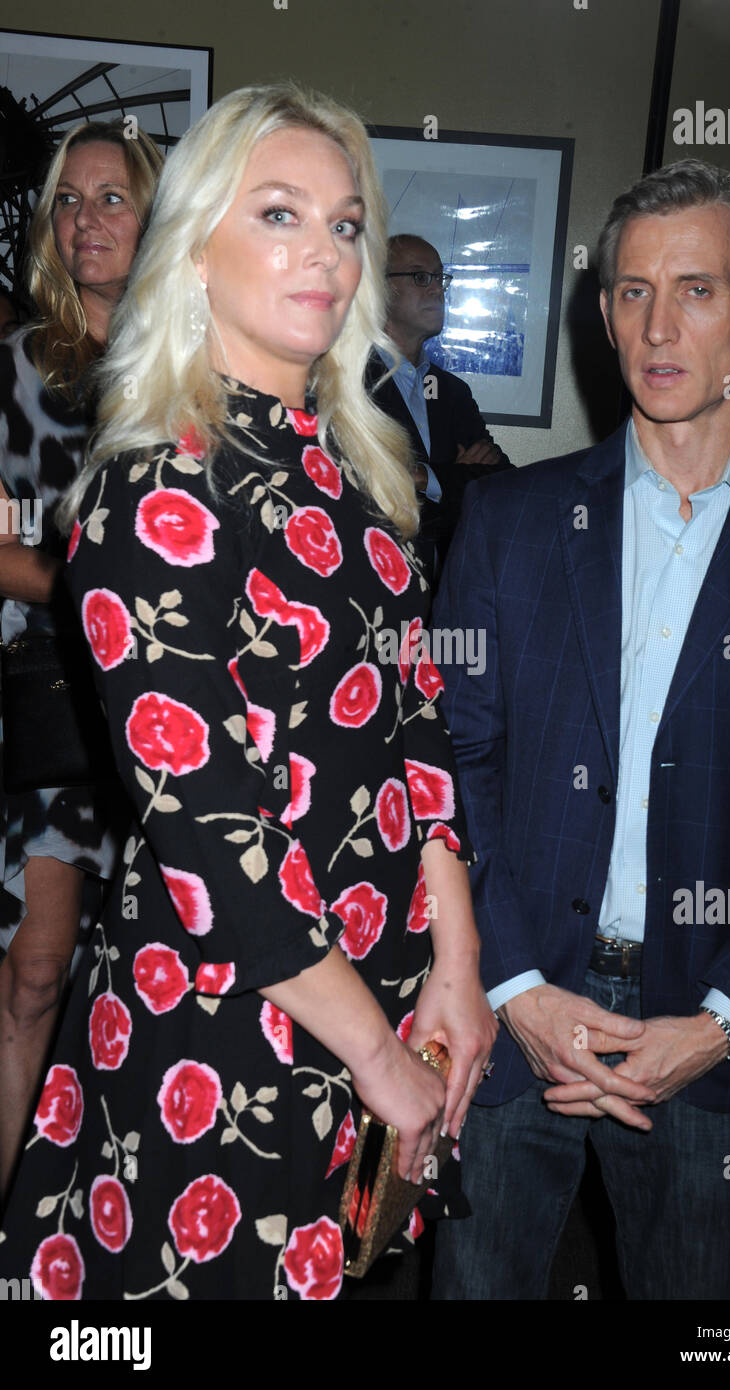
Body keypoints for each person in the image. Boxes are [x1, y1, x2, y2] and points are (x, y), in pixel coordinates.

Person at [0, 82, 496, 1301]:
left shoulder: (354, 473)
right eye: (279, 214)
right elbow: (212, 838)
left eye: (343, 224)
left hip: (376, 991)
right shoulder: (150, 492)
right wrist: (379, 1055)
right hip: (227, 1022)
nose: (324, 253)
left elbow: (416, 730)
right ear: (196, 249)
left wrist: (458, 963)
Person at [431, 158, 730, 1300]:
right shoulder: (509, 519)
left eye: (698, 290)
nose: (657, 326)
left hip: (710, 1026)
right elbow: (453, 755)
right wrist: (513, 983)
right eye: (630, 291)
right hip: (513, 1013)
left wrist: (723, 1022)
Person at [0, 121, 163, 1203]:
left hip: (181, 711)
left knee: (157, 990)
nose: (87, 219)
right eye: (70, 199)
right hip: (58, 702)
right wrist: (98, 604)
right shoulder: (18, 370)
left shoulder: (197, 366)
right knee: (36, 970)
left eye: (112, 197)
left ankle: (115, 1222)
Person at [366, 235, 512, 575]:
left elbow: (500, 485)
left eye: (440, 277)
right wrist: (454, 478)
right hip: (367, 590)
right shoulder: (349, 385)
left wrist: (422, 477)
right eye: (420, 277)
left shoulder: (453, 392)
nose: (437, 290)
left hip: (443, 595)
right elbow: (365, 495)